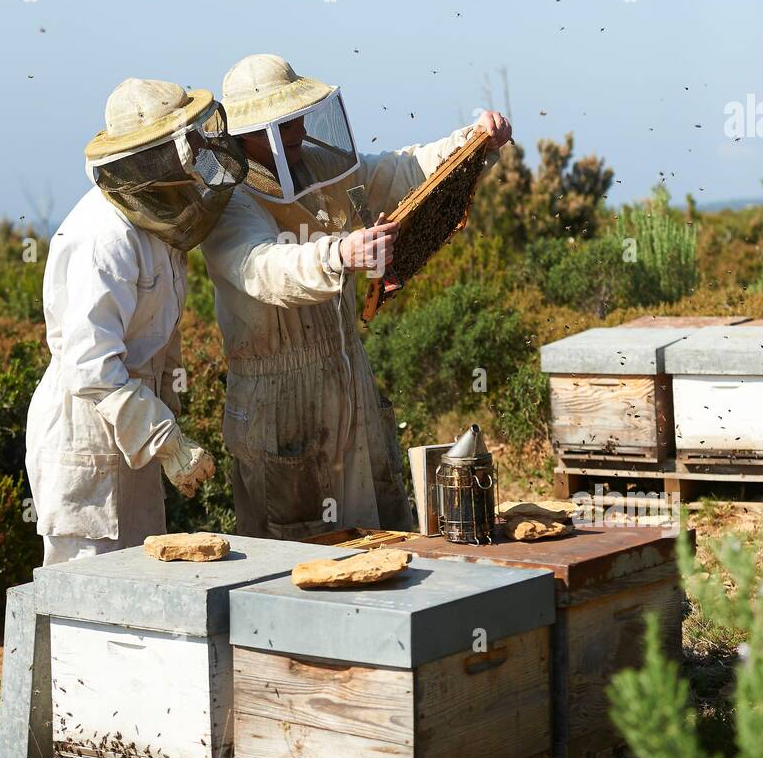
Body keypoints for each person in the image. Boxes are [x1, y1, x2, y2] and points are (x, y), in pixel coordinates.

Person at [201, 54, 511, 539]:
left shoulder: (321, 164)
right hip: (277, 395)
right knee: (293, 551)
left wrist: (471, 141)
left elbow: (400, 171)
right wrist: (338, 254)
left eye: (298, 115)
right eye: (282, 124)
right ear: (247, 133)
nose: (298, 130)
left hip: (346, 369)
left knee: (375, 535)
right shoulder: (229, 200)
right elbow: (261, 267)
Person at [26, 78, 248, 565]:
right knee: (85, 599)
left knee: (138, 586)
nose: (199, 157)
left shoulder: (161, 223)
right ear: (152, 158)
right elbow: (90, 367)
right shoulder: (105, 239)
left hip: (131, 430)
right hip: (84, 437)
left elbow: (156, 342)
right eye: (186, 145)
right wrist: (166, 442)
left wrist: (166, 430)